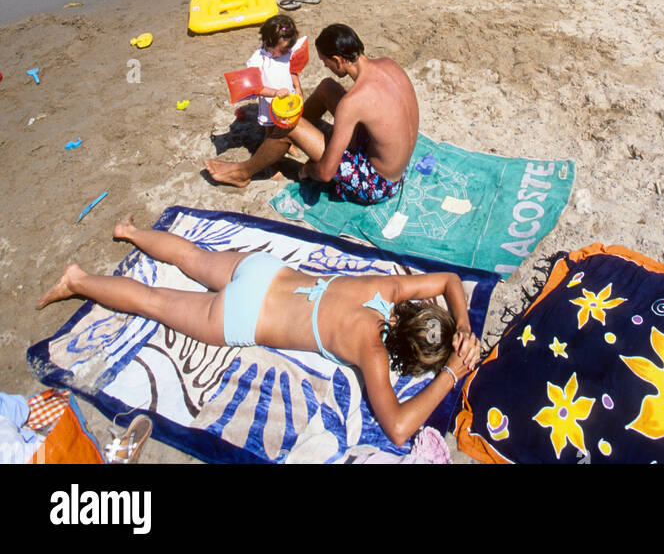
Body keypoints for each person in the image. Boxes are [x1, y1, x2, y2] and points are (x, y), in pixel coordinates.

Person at [37, 219, 480, 447]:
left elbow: (447, 282)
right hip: (244, 314)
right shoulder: (371, 350)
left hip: (265, 272)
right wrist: (451, 374)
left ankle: (129, 231)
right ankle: (77, 280)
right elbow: (399, 428)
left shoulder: (387, 288)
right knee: (153, 301)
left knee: (191, 256)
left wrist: (461, 324)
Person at [205, 24, 419, 205]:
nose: (327, 66)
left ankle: (242, 173)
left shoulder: (352, 102)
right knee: (326, 87)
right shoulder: (389, 65)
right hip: (398, 166)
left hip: (377, 184)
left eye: (326, 62)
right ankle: (290, 141)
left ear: (338, 59)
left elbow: (326, 173)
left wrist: (308, 169)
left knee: (291, 124)